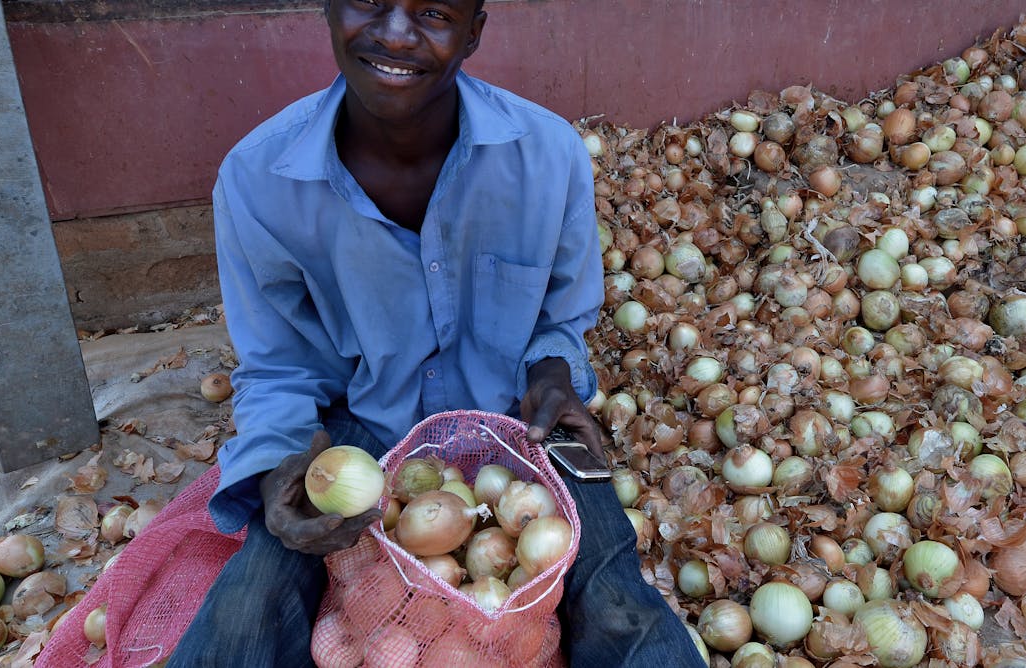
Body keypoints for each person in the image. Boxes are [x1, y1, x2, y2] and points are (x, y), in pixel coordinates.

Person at [166, 1, 704, 666]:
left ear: (473, 32)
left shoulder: (547, 155)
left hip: (519, 421)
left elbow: (559, 317)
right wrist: (280, 464)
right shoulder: (257, 180)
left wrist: (552, 375)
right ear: (330, 8)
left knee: (618, 599)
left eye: (432, 10)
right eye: (370, 0)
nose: (395, 33)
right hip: (354, 430)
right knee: (247, 608)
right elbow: (276, 365)